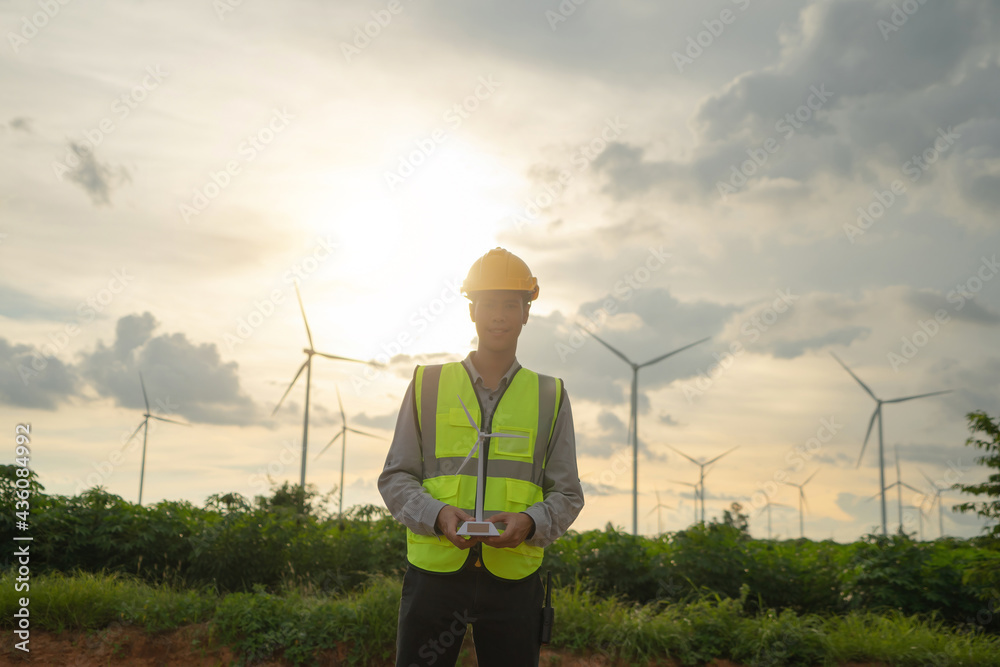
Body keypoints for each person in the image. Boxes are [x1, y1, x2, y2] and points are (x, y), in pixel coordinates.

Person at [378, 247, 584, 667]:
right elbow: (396, 477)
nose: (500, 316)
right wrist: (436, 515)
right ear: (471, 310)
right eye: (489, 304)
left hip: (515, 578)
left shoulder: (551, 395)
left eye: (512, 304)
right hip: (434, 575)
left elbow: (567, 493)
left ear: (527, 313)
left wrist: (530, 523)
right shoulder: (427, 384)